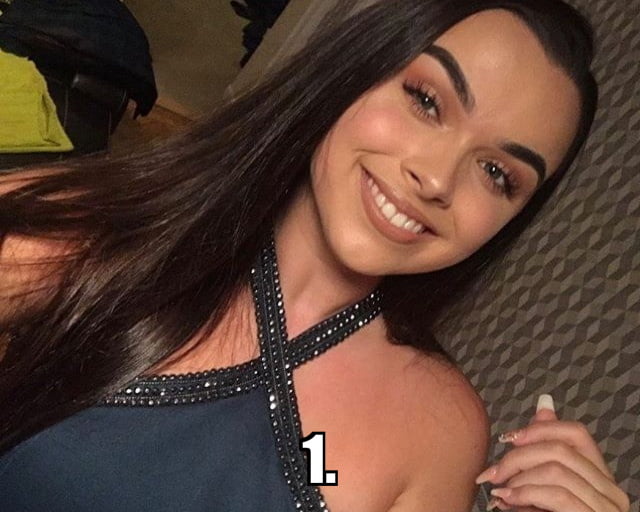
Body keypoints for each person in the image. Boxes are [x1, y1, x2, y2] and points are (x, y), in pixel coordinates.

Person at [0, 0, 631, 511]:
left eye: (497, 173)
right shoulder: (83, 234)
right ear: (355, 71)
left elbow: (312, 460)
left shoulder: (440, 428)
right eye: (426, 100)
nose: (438, 178)